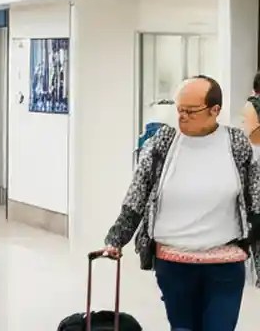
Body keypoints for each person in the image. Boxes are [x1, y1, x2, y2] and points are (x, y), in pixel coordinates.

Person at [102, 76, 260, 331]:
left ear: (215, 110)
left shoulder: (236, 143)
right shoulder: (164, 142)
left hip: (225, 262)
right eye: (179, 110)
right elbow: (137, 195)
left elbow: (255, 198)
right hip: (174, 263)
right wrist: (115, 239)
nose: (182, 117)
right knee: (183, 328)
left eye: (190, 111)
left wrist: (253, 237)